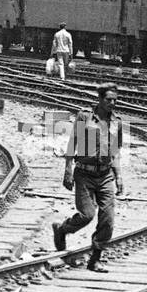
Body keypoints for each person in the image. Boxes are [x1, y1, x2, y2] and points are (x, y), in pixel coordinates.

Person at [52, 86, 126, 272]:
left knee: (107, 220)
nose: (112, 103)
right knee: (87, 215)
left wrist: (119, 177)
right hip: (84, 174)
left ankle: (95, 259)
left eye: (115, 100)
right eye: (108, 99)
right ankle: (62, 229)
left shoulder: (117, 122)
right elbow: (72, 143)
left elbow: (116, 152)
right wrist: (67, 170)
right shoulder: (84, 117)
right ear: (100, 99)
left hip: (105, 175)